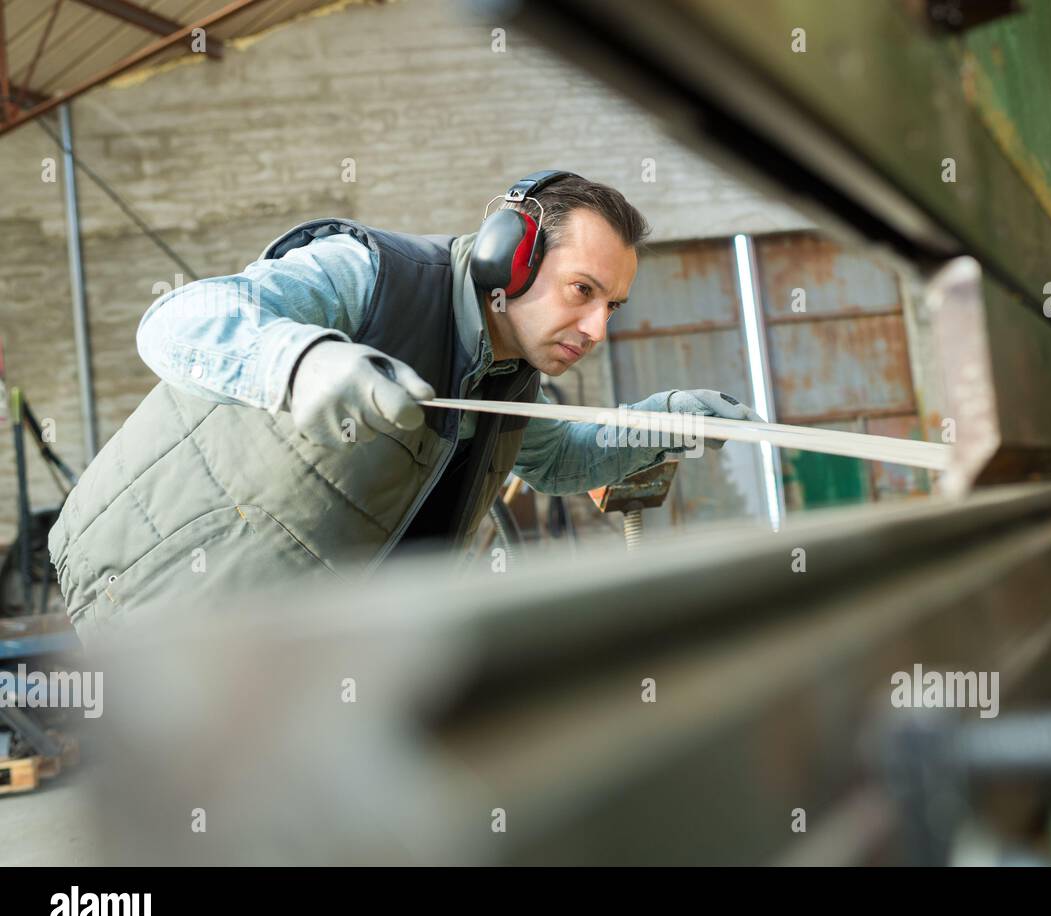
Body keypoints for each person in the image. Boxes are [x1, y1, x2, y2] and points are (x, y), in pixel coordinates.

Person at [47, 170, 763, 638]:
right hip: (156, 605)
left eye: (614, 305)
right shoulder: (372, 275)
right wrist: (301, 361)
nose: (599, 327)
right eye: (583, 291)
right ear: (509, 258)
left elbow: (553, 459)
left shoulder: (510, 377)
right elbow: (176, 322)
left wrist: (669, 420)